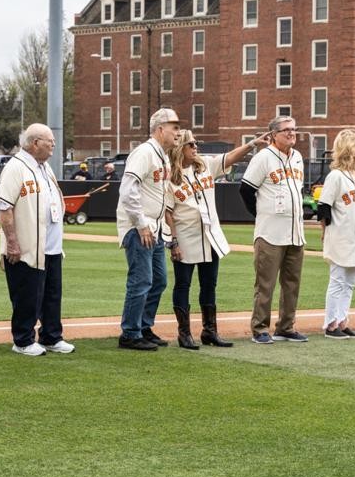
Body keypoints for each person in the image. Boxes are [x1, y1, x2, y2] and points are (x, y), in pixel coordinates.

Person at [165, 129, 262, 349]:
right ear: (180, 148)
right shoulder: (170, 177)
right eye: (191, 144)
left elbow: (229, 158)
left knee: (209, 285)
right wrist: (173, 242)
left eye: (196, 143)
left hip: (210, 236)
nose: (195, 147)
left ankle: (210, 331)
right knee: (183, 285)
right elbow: (168, 212)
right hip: (186, 237)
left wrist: (251, 145)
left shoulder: (205, 165)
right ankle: (184, 334)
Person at [0, 123, 74, 356]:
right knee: (27, 295)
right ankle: (22, 340)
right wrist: (12, 242)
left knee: (51, 294)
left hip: (50, 246)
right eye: (49, 141)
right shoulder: (16, 167)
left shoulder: (45, 168)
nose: (53, 145)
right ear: (35, 143)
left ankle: (51, 336)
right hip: (26, 246)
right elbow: (4, 206)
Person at [241, 113, 309, 343]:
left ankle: (286, 326)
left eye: (293, 129)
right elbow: (246, 190)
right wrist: (261, 214)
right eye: (286, 130)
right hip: (270, 233)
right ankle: (260, 328)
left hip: (295, 232)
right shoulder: (263, 158)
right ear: (273, 135)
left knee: (292, 283)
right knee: (265, 284)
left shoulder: (298, 157)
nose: (291, 133)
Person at [116, 108, 179, 350]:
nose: (178, 131)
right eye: (174, 127)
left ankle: (143, 326)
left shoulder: (162, 155)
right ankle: (130, 333)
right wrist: (141, 224)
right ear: (160, 129)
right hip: (139, 226)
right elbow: (128, 191)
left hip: (155, 226)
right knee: (141, 280)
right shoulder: (144, 152)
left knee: (159, 280)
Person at [317, 129, 355, 339]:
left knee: (350, 281)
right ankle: (331, 324)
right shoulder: (335, 176)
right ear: (347, 148)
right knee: (338, 280)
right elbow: (323, 208)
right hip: (340, 235)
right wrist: (325, 233)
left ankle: (342, 320)